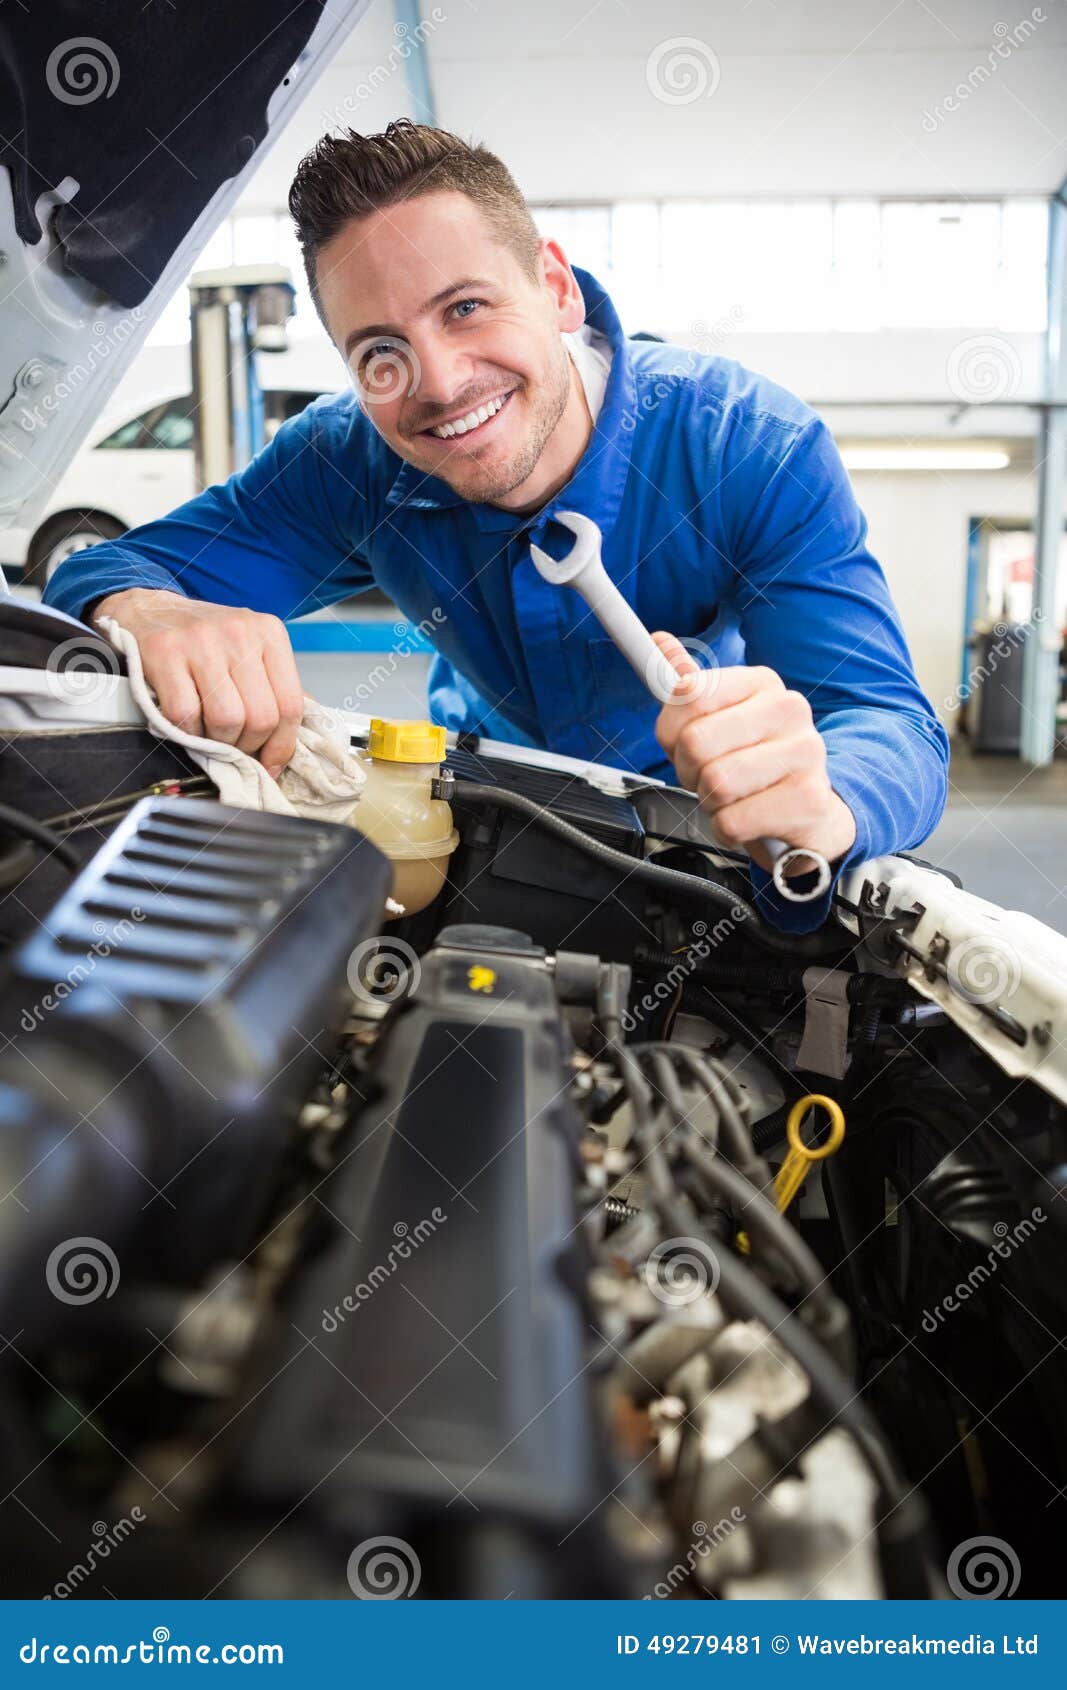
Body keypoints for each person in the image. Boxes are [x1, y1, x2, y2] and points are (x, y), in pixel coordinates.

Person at [45, 120, 948, 930]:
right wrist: (148, 610)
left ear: (555, 287)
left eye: (465, 308)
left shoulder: (744, 445)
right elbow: (109, 569)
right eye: (380, 352)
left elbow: (884, 719)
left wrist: (826, 796)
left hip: (694, 835)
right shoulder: (345, 462)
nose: (436, 383)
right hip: (478, 814)